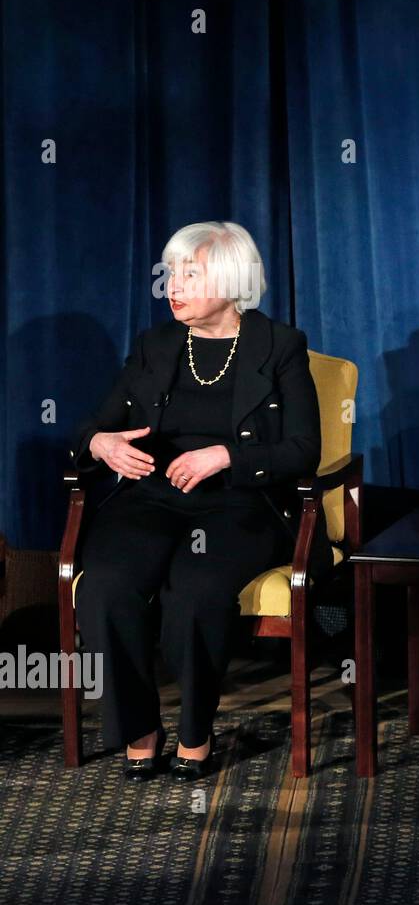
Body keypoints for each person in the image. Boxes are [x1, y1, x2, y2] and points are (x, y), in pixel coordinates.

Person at [71, 221, 321, 782]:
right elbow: (94, 425)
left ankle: (195, 728)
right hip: (152, 497)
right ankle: (139, 727)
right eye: (170, 274)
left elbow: (305, 449)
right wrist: (101, 444)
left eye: (191, 274)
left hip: (240, 502)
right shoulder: (155, 345)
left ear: (233, 281)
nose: (173, 287)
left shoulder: (280, 346)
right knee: (106, 585)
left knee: (195, 592)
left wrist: (227, 455)